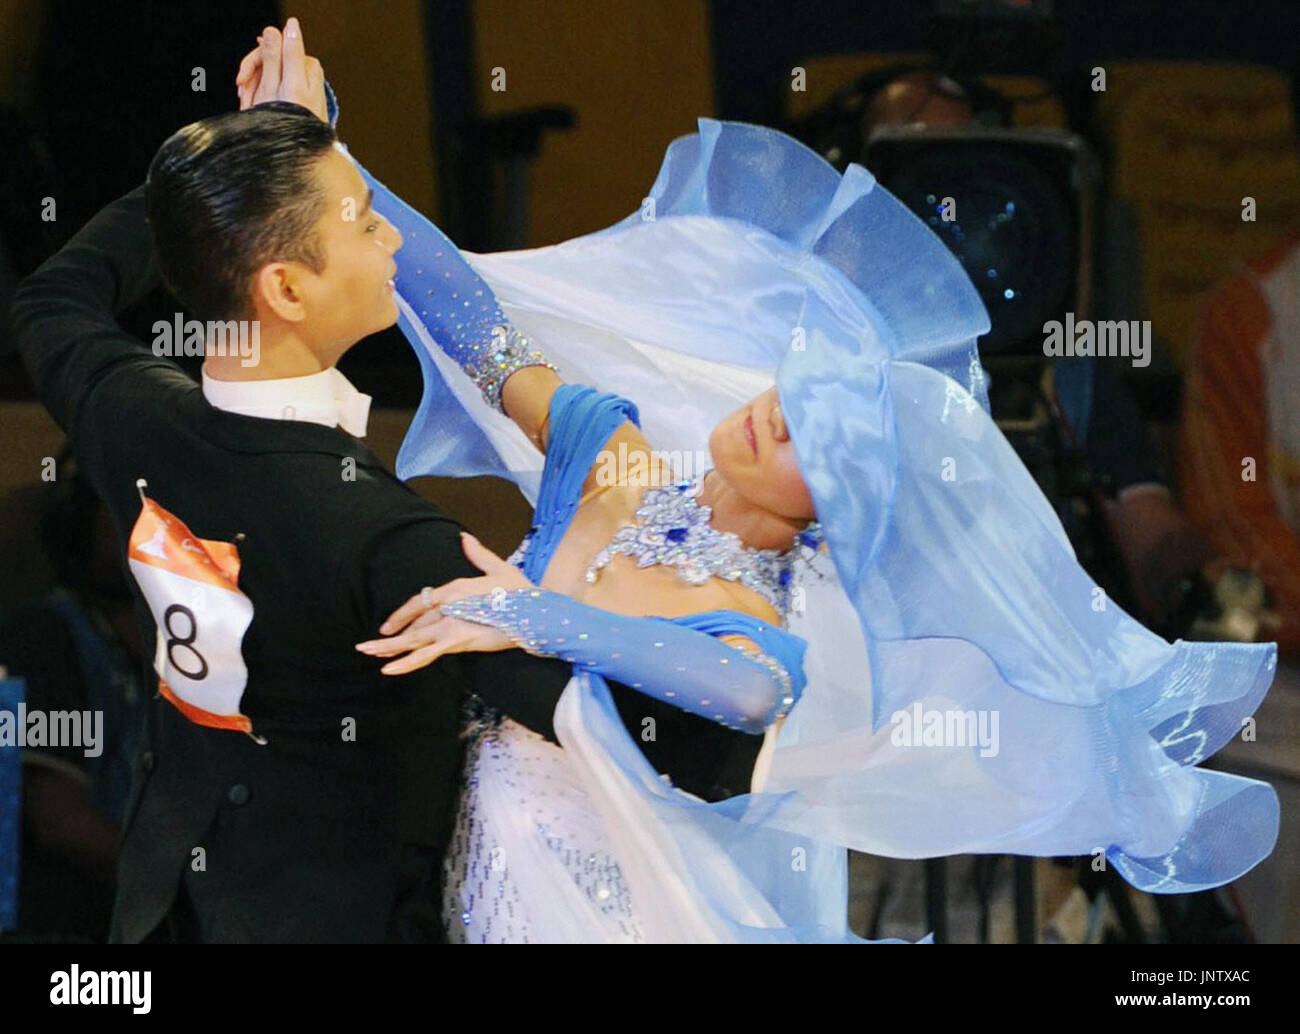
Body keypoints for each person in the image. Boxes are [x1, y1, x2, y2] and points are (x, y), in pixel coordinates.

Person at [244, 25, 1279, 943]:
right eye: (801, 389)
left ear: (829, 515)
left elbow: (746, 689)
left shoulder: (748, 612)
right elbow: (470, 316)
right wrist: (325, 157)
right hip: (472, 884)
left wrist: (530, 613)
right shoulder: (615, 461)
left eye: (811, 437)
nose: (779, 409)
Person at [6, 21, 667, 943]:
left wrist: (220, 187)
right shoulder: (390, 540)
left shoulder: (130, 414)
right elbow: (631, 737)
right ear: (284, 289)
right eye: (361, 219)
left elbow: (51, 296)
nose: (390, 228)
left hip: (162, 916)